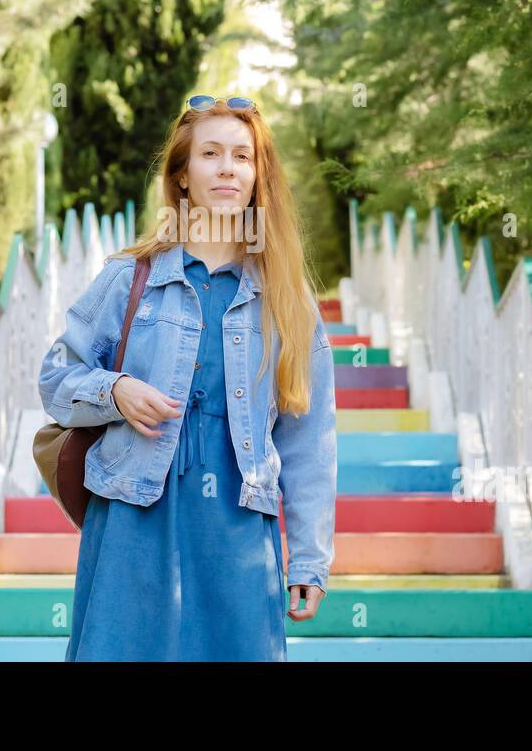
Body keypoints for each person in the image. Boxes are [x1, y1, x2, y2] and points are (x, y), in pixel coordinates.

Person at [37, 94, 337, 661]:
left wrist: (310, 558)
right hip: (132, 517)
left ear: (257, 176)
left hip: (239, 525)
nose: (227, 167)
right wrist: (114, 391)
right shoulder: (129, 278)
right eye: (210, 153)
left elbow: (308, 435)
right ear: (181, 174)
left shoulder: (286, 299)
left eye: (243, 156)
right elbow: (56, 377)